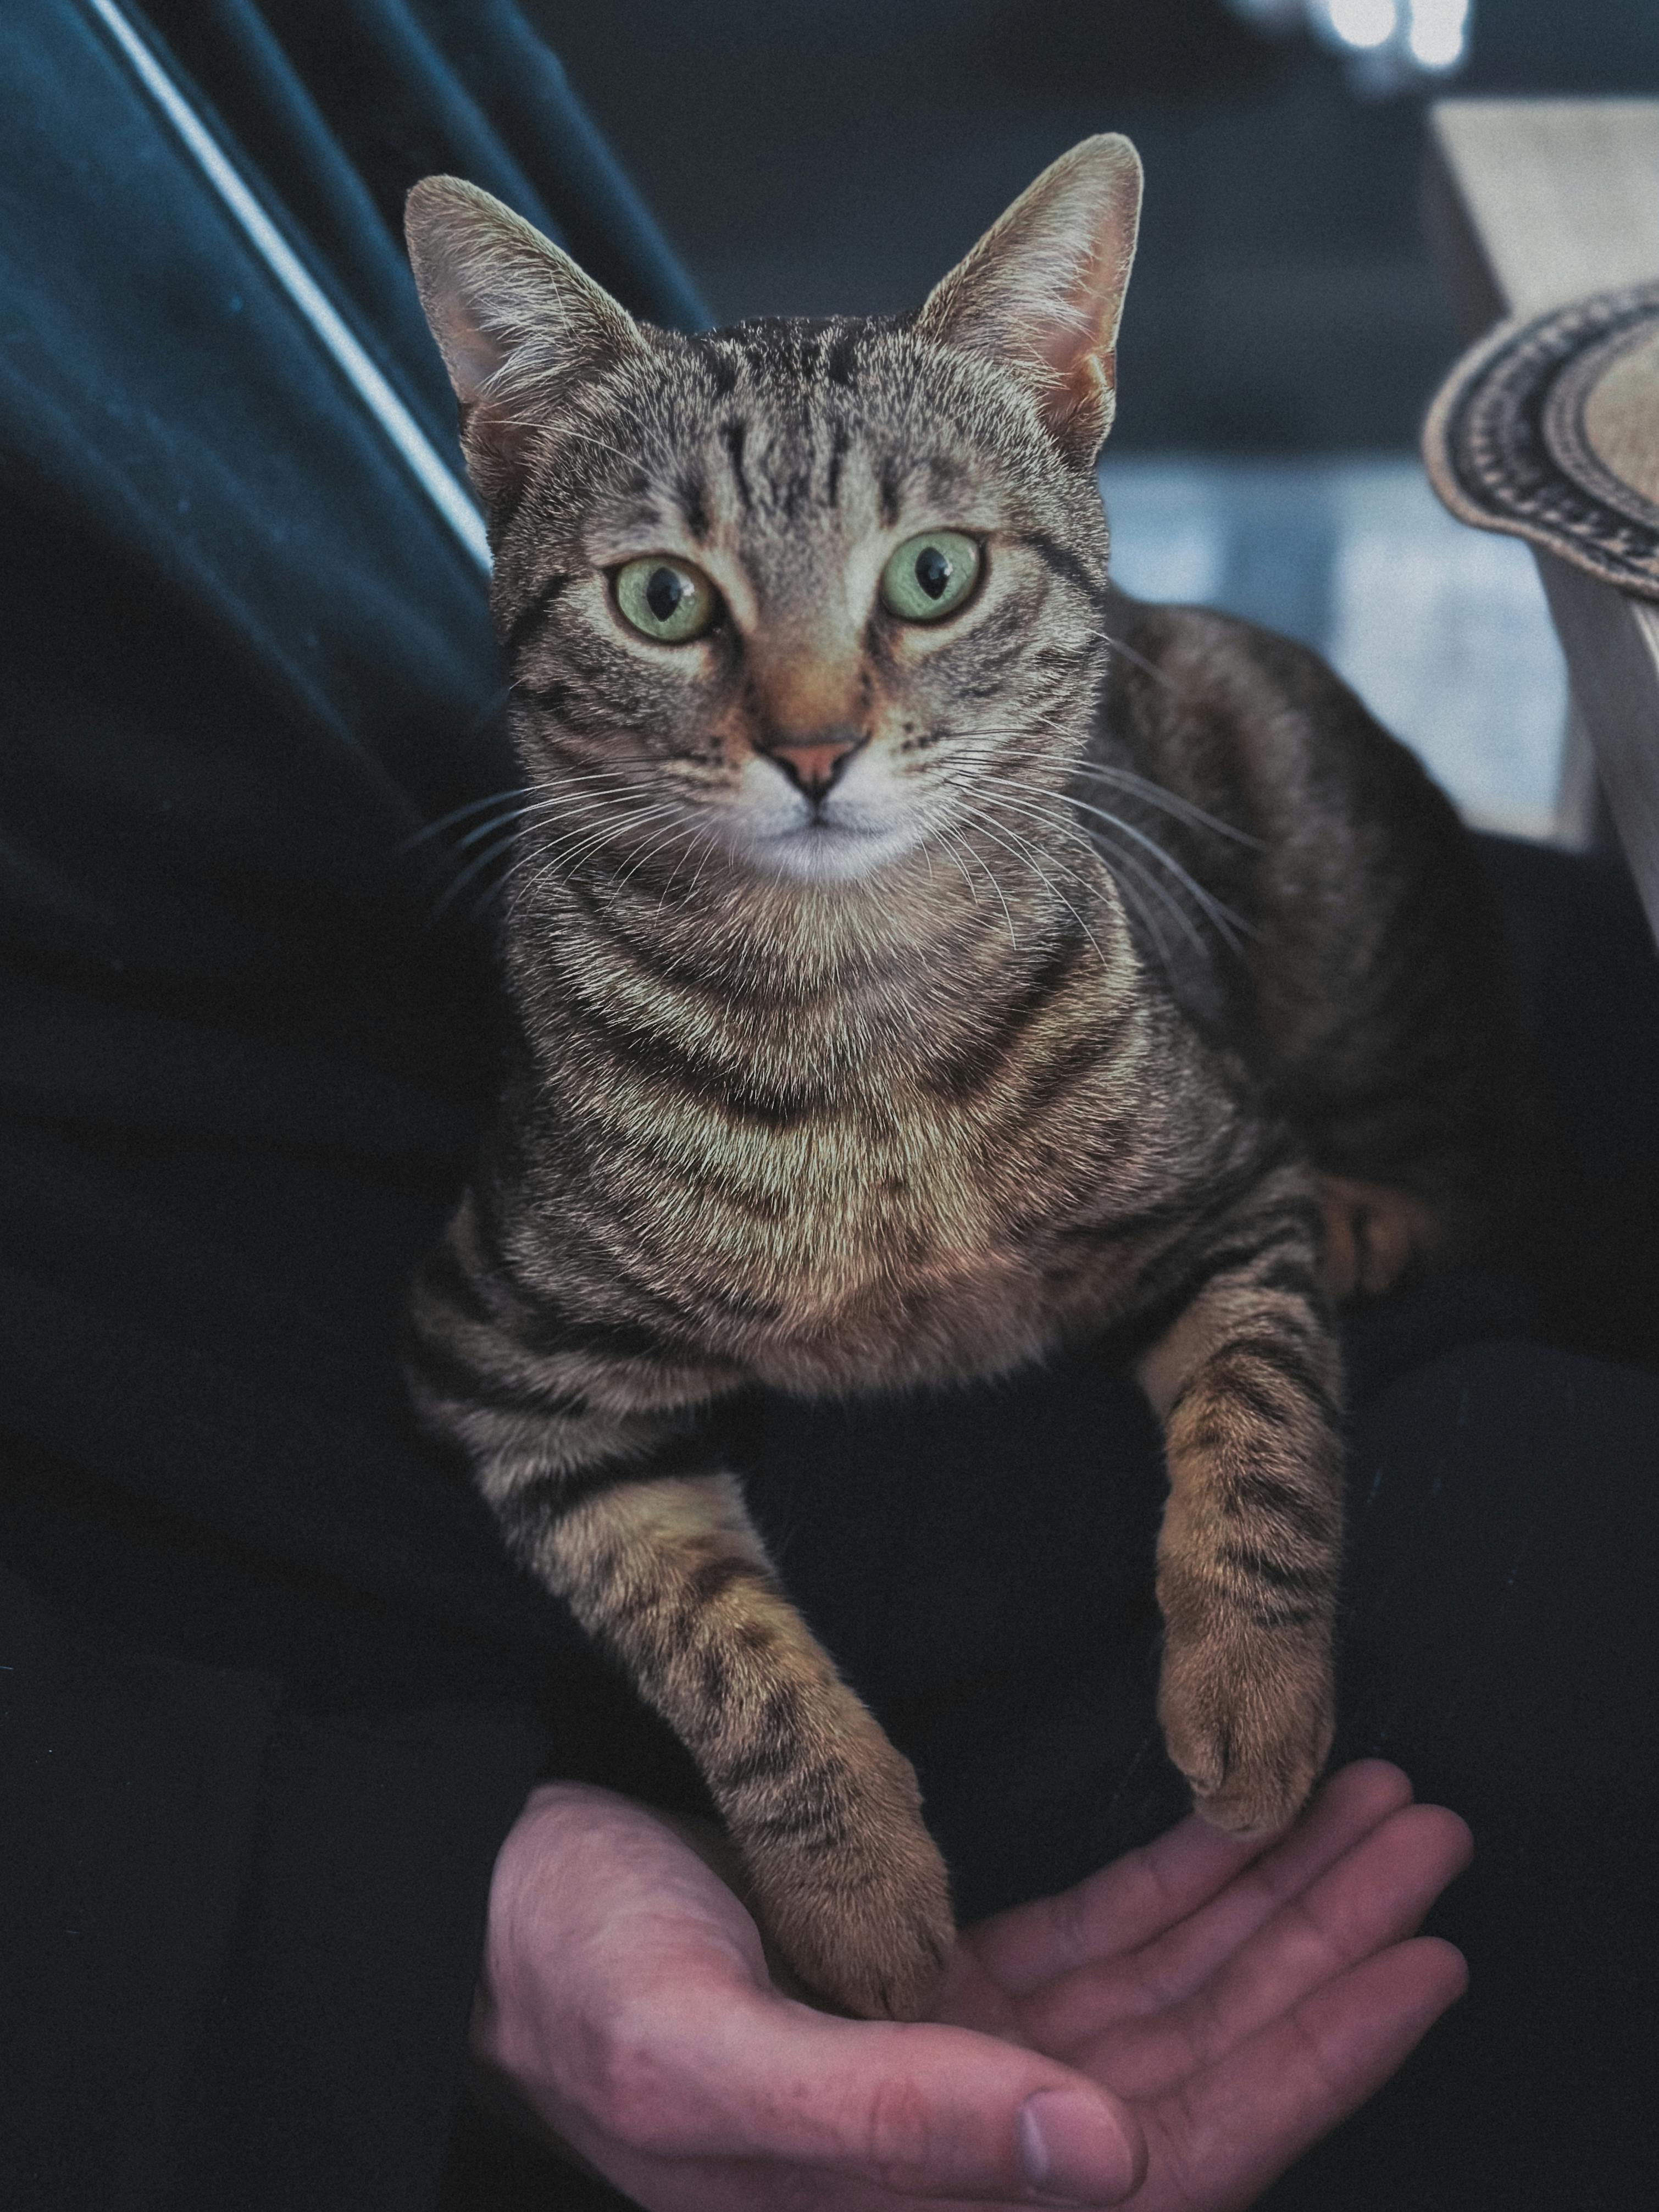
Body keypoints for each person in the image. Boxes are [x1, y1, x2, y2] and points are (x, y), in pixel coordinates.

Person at [2, 6, 1655, 2209]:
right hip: (447, 1590)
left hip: (1018, 1038)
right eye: (680, 612)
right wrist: (385, 1898)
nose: (804, 719)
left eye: (917, 594)